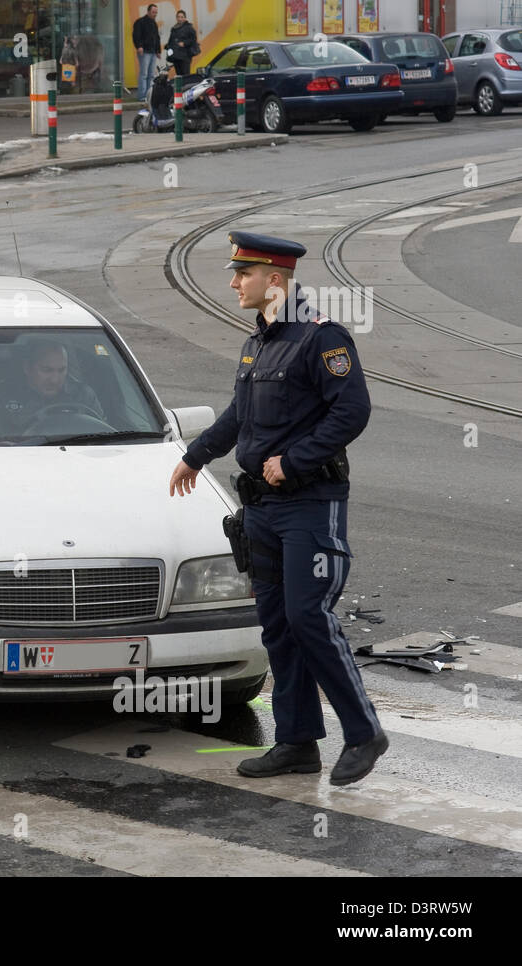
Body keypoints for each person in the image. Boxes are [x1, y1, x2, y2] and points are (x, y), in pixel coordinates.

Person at [168, 231, 387, 787]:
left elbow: (352, 411)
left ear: (275, 279)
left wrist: (295, 460)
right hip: (261, 510)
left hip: (308, 504)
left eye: (243, 272)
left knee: (310, 617)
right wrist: (195, 456)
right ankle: (296, 743)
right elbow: (239, 413)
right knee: (279, 626)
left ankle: (364, 733)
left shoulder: (321, 338)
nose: (234, 282)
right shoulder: (257, 343)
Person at [0, 339, 104, 437]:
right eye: (47, 370)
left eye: (62, 370)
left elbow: (104, 436)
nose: (55, 379)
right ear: (27, 368)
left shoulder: (83, 395)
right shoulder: (1, 395)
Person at [132, 4, 162, 103]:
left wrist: (158, 51)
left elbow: (157, 38)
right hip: (144, 51)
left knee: (151, 75)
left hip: (153, 52)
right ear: (148, 11)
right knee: (144, 74)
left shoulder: (154, 23)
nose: (155, 14)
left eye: (156, 12)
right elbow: (136, 35)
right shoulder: (140, 22)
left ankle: (149, 95)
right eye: (153, 12)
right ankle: (142, 96)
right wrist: (139, 46)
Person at [166, 10, 199, 76]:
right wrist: (168, 46)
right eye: (178, 17)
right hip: (176, 56)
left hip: (185, 56)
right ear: (176, 18)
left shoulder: (189, 28)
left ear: (185, 18)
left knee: (185, 75)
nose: (180, 19)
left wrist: (184, 43)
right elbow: (171, 40)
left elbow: (193, 39)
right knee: (178, 76)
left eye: (182, 17)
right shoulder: (174, 28)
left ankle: (186, 86)